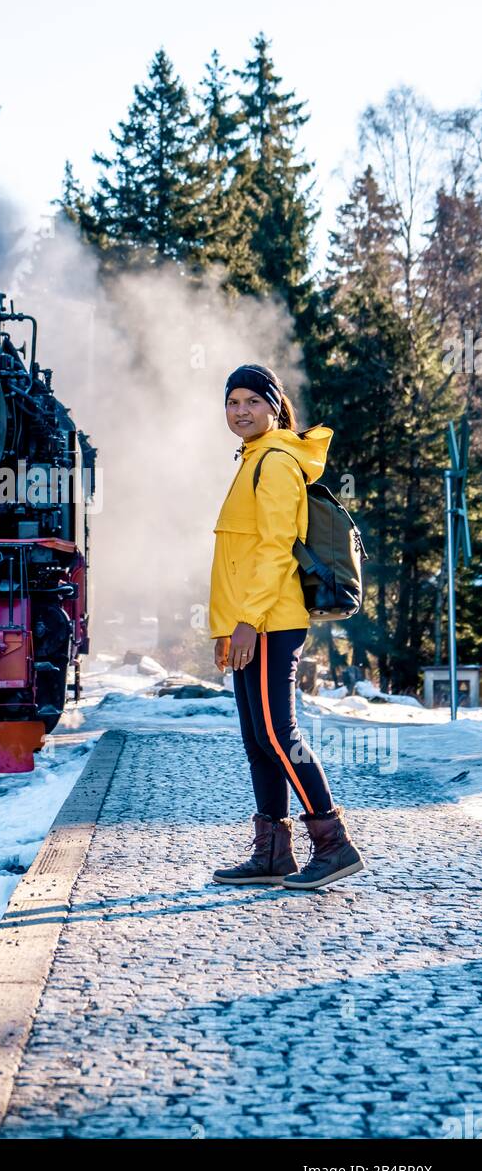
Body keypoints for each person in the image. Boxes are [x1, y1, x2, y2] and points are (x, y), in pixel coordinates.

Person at [209, 364, 364, 890]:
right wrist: (224, 628)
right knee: (258, 739)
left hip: (272, 622)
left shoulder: (275, 462)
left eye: (253, 400)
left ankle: (333, 842)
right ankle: (273, 853)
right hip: (249, 623)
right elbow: (236, 557)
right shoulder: (251, 459)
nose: (242, 410)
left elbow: (276, 550)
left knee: (279, 732)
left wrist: (248, 622)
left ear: (275, 407)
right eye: (233, 402)